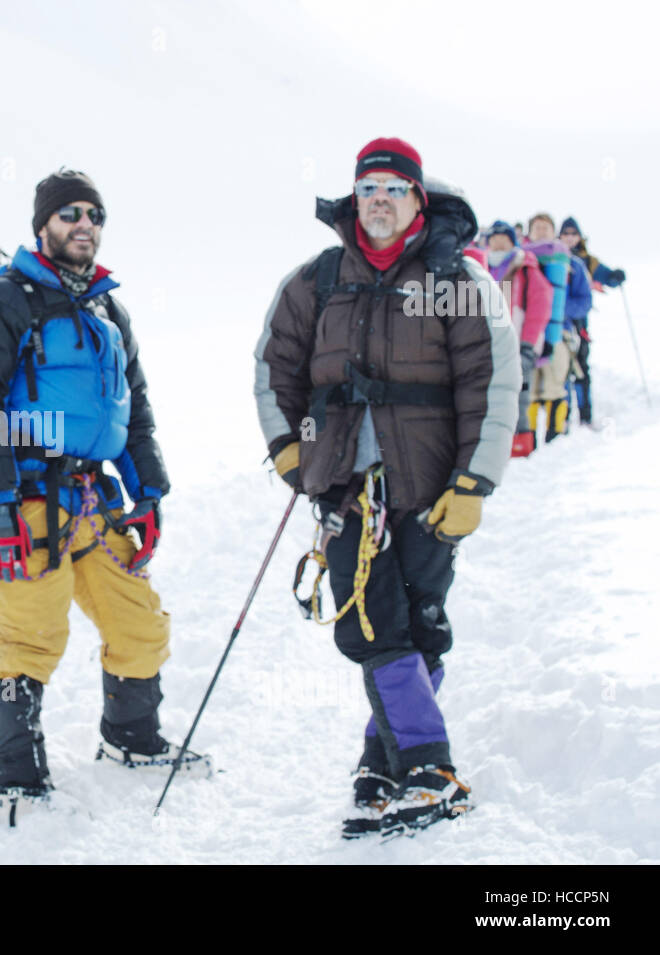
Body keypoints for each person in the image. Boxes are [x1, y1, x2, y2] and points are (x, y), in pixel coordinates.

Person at [254, 138, 520, 837]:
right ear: (354, 197)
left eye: (393, 187)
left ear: (417, 198)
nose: (379, 199)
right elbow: (273, 367)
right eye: (368, 187)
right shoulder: (315, 279)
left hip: (431, 487)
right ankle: (429, 764)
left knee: (419, 622)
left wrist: (474, 482)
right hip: (345, 485)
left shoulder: (457, 279)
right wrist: (287, 449)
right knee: (370, 622)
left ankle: (382, 762)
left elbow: (492, 384)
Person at [0, 168, 201, 823]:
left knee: (139, 624)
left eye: (93, 213)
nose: (83, 223)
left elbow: (134, 408)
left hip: (94, 500)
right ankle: (19, 779)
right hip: (27, 502)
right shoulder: (0, 301)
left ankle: (131, 740)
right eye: (69, 213)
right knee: (30, 637)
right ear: (43, 225)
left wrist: (149, 492)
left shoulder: (108, 308)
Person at [482, 221, 552, 457]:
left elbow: (539, 309)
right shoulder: (479, 268)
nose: (498, 242)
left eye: (504, 238)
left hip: (519, 343)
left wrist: (528, 345)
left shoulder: (526, 268)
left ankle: (521, 445)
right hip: (487, 345)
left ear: (513, 242)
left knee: (519, 395)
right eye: (494, 238)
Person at [559, 217, 625, 426]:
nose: (569, 238)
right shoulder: (552, 256)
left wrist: (615, 276)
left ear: (579, 237)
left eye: (573, 234)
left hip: (579, 324)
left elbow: (606, 277)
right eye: (566, 233)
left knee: (581, 368)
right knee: (561, 371)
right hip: (556, 324)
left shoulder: (588, 260)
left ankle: (585, 415)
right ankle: (564, 418)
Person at [524, 213, 576, 442]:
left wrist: (560, 309)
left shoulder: (570, 264)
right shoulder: (521, 260)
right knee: (531, 388)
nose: (542, 231)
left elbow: (583, 299)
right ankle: (530, 438)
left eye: (546, 227)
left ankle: (557, 436)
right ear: (530, 233)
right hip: (528, 333)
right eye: (537, 227)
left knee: (556, 385)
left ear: (554, 232)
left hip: (559, 333)